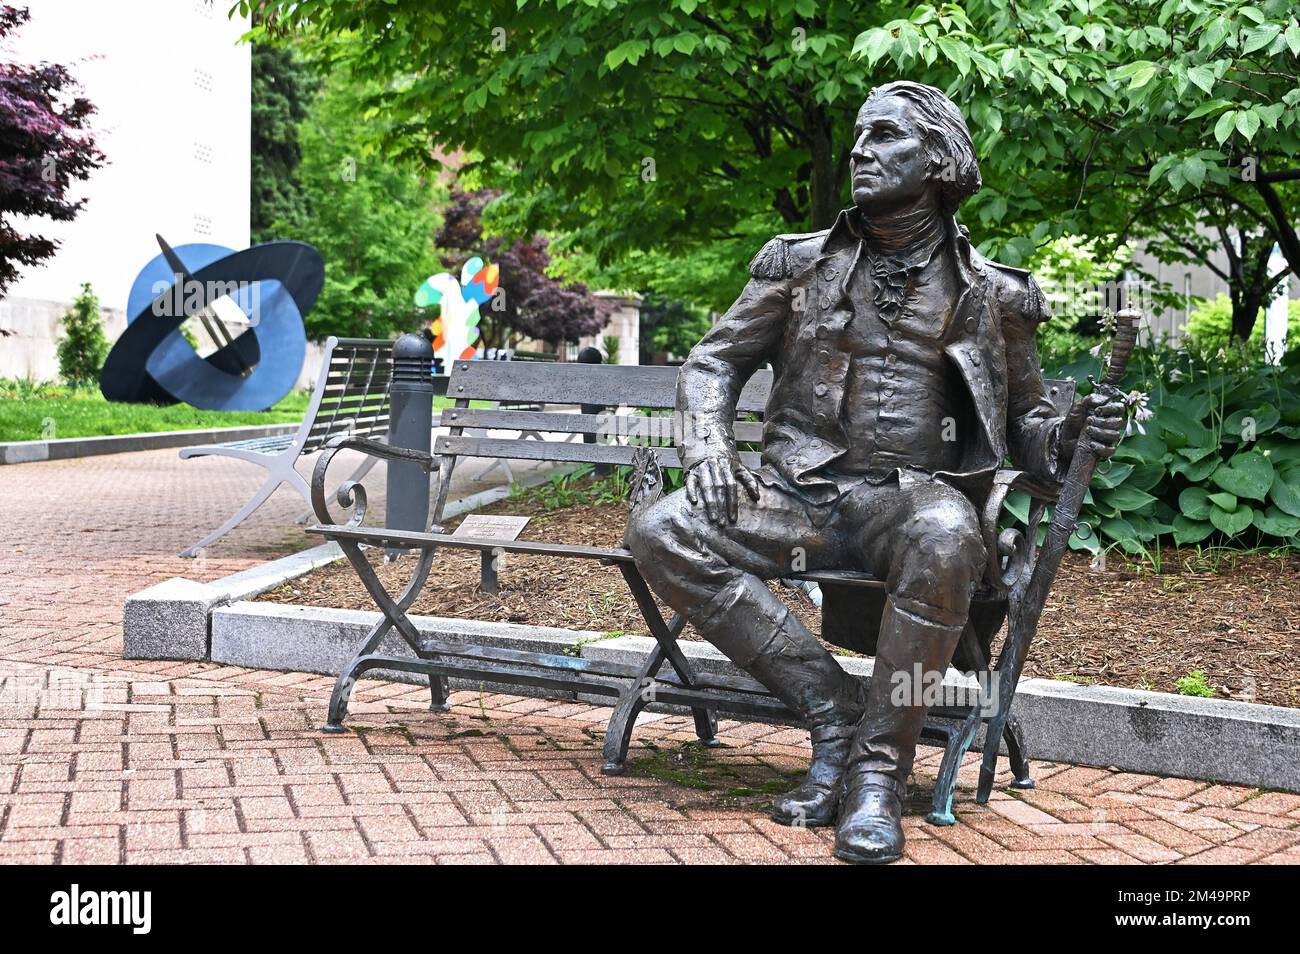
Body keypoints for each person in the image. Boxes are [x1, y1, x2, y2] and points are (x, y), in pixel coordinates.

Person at [625, 81, 1125, 864]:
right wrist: (709, 452)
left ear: (937, 158)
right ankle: (834, 712)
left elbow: (1028, 423)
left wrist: (1071, 437)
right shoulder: (798, 263)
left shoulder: (994, 293)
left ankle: (877, 777)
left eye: (884, 136)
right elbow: (712, 363)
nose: (861, 150)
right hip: (796, 493)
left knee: (947, 532)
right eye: (859, 137)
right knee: (662, 529)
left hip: (907, 504)